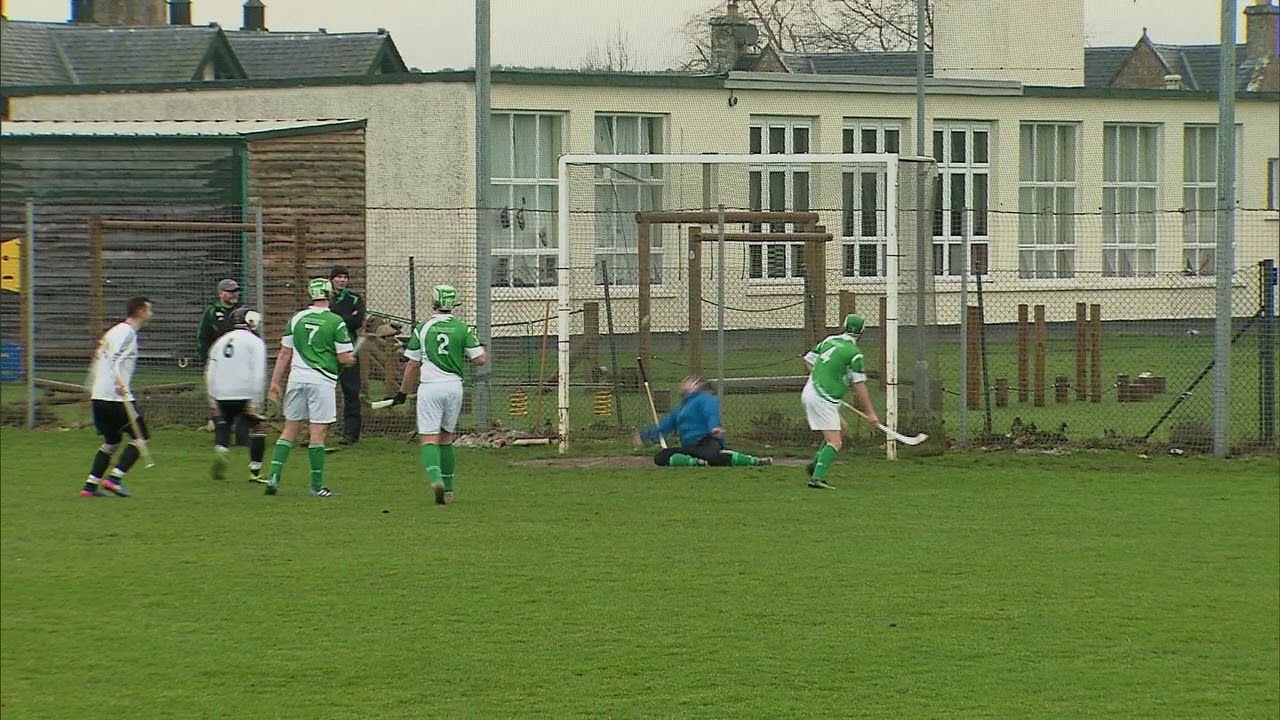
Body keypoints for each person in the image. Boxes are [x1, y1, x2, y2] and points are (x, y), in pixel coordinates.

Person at [390, 285, 486, 505]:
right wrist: (480, 346)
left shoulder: (422, 329)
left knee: (428, 439)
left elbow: (412, 365)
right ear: (453, 304)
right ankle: (449, 491)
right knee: (446, 438)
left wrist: (402, 392)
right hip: (454, 387)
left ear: (433, 303)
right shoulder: (462, 328)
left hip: (430, 387)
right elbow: (480, 360)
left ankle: (436, 480)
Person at [265, 278, 355, 497]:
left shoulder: (296, 318)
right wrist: (349, 359)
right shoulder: (336, 322)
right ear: (329, 294)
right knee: (318, 433)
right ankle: (316, 486)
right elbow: (344, 358)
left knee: (290, 429)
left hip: (296, 379)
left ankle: (274, 475)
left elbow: (285, 353)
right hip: (321, 381)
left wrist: (275, 382)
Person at [81, 296, 153, 497]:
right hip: (116, 397)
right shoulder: (127, 333)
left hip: (100, 395)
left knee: (112, 442)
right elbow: (116, 358)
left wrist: (91, 386)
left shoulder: (112, 332)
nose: (151, 314)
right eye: (149, 310)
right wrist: (118, 381)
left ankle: (90, 485)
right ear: (140, 311)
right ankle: (114, 479)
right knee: (141, 438)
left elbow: (98, 358)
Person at [801, 313, 880, 489]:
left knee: (842, 428)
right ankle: (816, 479)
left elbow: (808, 359)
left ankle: (815, 465)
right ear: (861, 333)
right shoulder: (855, 354)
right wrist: (871, 413)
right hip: (822, 398)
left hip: (811, 392)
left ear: (843, 326)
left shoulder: (830, 340)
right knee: (834, 442)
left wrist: (822, 377)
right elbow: (859, 386)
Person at [636, 377, 771, 467]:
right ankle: (695, 462)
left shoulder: (705, 399)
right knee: (660, 457)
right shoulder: (680, 409)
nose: (684, 383)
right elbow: (665, 427)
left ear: (697, 385)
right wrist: (646, 435)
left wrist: (714, 428)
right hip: (690, 447)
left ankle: (754, 461)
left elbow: (710, 414)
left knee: (714, 456)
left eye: (689, 381)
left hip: (706, 441)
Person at [206, 307, 268, 484]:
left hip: (221, 393)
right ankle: (255, 471)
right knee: (259, 427)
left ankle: (222, 449)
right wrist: (256, 401)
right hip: (244, 393)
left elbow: (210, 371)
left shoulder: (220, 341)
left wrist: (212, 399)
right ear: (251, 322)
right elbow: (259, 374)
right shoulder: (255, 342)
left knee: (224, 424)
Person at [328, 266, 366, 445]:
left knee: (351, 391)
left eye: (345, 277)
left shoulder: (355, 299)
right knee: (324, 390)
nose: (342, 280)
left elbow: (357, 321)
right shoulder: (325, 298)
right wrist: (345, 318)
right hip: (327, 351)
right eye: (339, 277)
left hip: (349, 349)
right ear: (332, 280)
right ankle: (319, 430)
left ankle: (351, 434)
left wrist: (336, 318)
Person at [197, 278, 241, 362]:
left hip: (239, 359)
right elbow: (202, 337)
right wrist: (207, 359)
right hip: (218, 359)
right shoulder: (212, 312)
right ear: (220, 293)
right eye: (230, 291)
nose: (234, 294)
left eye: (236, 291)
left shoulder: (243, 311)